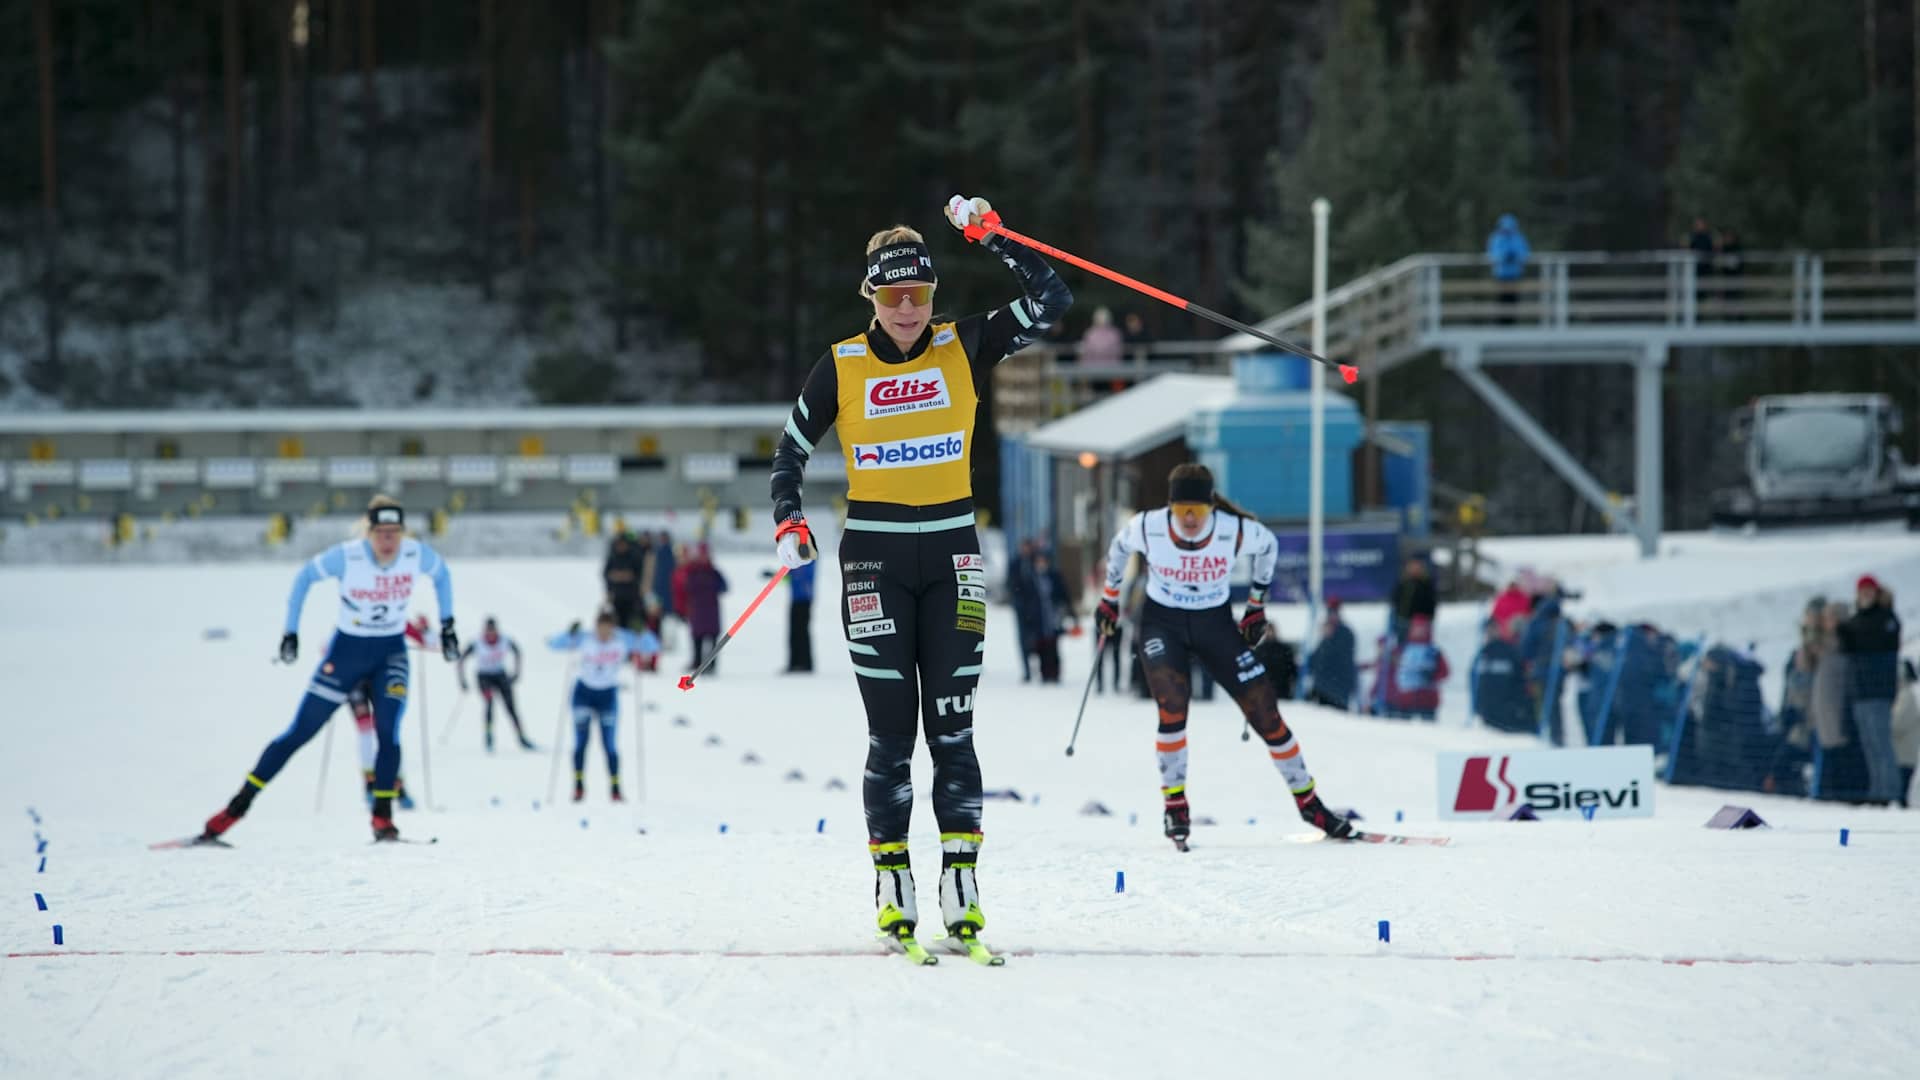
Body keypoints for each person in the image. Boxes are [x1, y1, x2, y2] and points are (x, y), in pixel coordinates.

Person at [767, 194, 1071, 959]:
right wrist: (788, 520)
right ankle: (894, 884)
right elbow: (790, 451)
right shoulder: (841, 363)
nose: (908, 308)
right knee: (892, 737)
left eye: (921, 294)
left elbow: (1052, 298)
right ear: (870, 296)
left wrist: (995, 236)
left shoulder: (964, 345)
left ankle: (961, 888)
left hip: (954, 559)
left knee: (955, 730)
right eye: (894, 295)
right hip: (873, 557)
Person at [1096, 462, 1355, 852]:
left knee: (1266, 712)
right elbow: (1119, 547)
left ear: (1211, 509)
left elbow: (1269, 546)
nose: (1188, 519)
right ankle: (1175, 805)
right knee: (1172, 707)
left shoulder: (1234, 531)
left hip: (1213, 625)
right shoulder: (1148, 525)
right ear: (1169, 506)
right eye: (1181, 509)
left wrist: (1256, 606)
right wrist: (1109, 599)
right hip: (1161, 624)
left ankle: (1310, 805)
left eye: (1197, 511)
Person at [192, 495, 457, 843]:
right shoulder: (347, 556)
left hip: (391, 654)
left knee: (388, 734)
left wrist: (448, 625)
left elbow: (443, 576)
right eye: (381, 533)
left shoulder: (415, 554)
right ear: (369, 532)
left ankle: (383, 820)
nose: (388, 541)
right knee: (299, 733)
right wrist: (291, 632)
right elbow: (303, 579)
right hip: (346, 654)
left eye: (395, 533)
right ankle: (232, 812)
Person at [548, 610, 660, 803]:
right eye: (601, 629)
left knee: (609, 745)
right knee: (581, 742)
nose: (604, 634)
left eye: (608, 629)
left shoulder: (622, 639)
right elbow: (554, 643)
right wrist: (570, 633)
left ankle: (615, 788)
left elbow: (652, 646)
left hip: (607, 696)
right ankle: (578, 786)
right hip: (583, 694)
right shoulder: (585, 638)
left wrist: (643, 631)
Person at [351, 615, 429, 807]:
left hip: (383, 677)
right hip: (355, 679)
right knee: (366, 730)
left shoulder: (394, 615)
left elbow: (427, 640)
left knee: (387, 731)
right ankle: (370, 783)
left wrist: (425, 629)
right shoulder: (354, 615)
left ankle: (397, 783)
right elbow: (329, 645)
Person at [1838, 576, 1903, 804]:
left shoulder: (1886, 618)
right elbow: (1849, 647)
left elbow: (1873, 640)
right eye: (1861, 592)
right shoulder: (1857, 620)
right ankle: (1877, 790)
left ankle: (1890, 792)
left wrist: (1849, 629)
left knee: (1881, 742)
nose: (1865, 596)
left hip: (1878, 691)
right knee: (1869, 745)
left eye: (1869, 591)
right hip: (1860, 691)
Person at [459, 616, 534, 751]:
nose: (490, 634)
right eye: (488, 631)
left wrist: (517, 672)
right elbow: (462, 659)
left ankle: (522, 738)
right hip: (484, 677)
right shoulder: (477, 642)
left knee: (511, 707)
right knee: (489, 703)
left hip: (500, 675)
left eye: (492, 631)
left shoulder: (505, 640)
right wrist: (463, 681)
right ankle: (489, 737)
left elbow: (518, 652)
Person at [1383, 614, 1449, 722]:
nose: (1419, 631)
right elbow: (1389, 671)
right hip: (1405, 701)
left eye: (1422, 628)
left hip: (1427, 701)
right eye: (1417, 628)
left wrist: (1432, 677)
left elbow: (1445, 672)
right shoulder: (1402, 649)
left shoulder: (1433, 651)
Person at [679, 543, 729, 674]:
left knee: (712, 639)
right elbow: (685, 588)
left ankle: (711, 665)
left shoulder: (713, 572)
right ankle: (697, 662)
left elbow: (724, 587)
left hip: (710, 610)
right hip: (698, 610)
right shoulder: (692, 572)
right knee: (697, 638)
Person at [1028, 549, 1075, 684]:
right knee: (1041, 646)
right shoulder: (1031, 578)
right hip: (1039, 617)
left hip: (1053, 616)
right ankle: (1044, 673)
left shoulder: (1054, 576)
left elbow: (1064, 595)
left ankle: (1055, 673)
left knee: (1053, 645)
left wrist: (1070, 613)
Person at [1305, 598, 1357, 710]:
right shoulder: (1327, 635)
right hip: (1323, 687)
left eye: (1333, 612)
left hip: (1337, 689)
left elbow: (1340, 658)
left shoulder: (1345, 633)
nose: (1331, 615)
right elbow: (1316, 658)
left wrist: (1329, 638)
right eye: (1329, 612)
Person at [1486, 213, 1531, 321]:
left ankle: (1512, 325)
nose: (1507, 230)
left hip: (1515, 275)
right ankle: (1501, 326)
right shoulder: (1496, 238)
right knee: (1501, 301)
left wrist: (1514, 255)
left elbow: (1524, 254)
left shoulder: (1518, 238)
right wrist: (1505, 255)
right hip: (1501, 276)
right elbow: (1493, 254)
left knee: (1513, 302)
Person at [1006, 539, 1038, 682]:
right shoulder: (1015, 563)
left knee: (1035, 637)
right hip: (1021, 607)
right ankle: (1026, 670)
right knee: (1022, 638)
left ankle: (1039, 666)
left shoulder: (1036, 562)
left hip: (1034, 607)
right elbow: (1010, 583)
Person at [603, 533, 646, 630]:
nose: (620, 546)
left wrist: (628, 576)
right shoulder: (613, 556)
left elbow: (639, 574)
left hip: (632, 597)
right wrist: (615, 577)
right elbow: (606, 574)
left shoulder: (634, 556)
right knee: (618, 623)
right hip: (617, 596)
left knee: (632, 622)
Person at [1390, 555, 1437, 639]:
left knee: (1418, 646)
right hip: (1402, 621)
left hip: (1420, 622)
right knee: (1402, 645)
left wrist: (1428, 618)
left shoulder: (1426, 583)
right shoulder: (1403, 582)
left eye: (1417, 567)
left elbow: (1431, 603)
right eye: (1412, 566)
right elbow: (1395, 599)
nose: (1414, 569)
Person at [1892, 659, 1918, 808]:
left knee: (1900, 795)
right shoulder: (1904, 695)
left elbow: (1898, 723)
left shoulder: (1907, 696)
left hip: (1904, 755)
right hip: (1904, 754)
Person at [786, 559, 816, 673]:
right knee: (794, 632)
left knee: (801, 631)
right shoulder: (796, 558)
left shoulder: (809, 557)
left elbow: (801, 575)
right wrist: (773, 576)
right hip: (796, 599)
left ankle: (804, 663)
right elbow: (789, 578)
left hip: (804, 598)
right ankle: (795, 663)